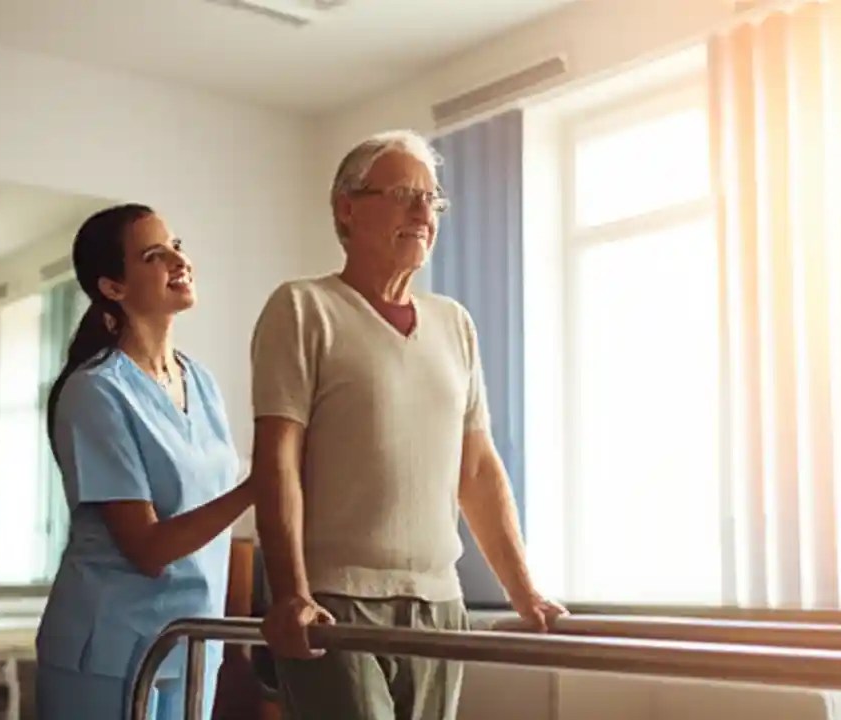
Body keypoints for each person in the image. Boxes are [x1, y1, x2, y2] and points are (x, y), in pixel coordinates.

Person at [250, 130, 566, 719]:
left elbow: (476, 469)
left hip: (439, 599)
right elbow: (277, 463)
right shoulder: (303, 308)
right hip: (335, 596)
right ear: (347, 207)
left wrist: (526, 593)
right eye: (403, 194)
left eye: (432, 198)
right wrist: (292, 593)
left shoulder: (455, 324)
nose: (424, 211)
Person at [35, 204, 255, 719]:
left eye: (177, 245)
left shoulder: (200, 382)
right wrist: (257, 487)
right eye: (155, 255)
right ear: (112, 286)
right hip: (110, 650)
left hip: (194, 645)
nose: (179, 261)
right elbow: (146, 548)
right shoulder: (95, 391)